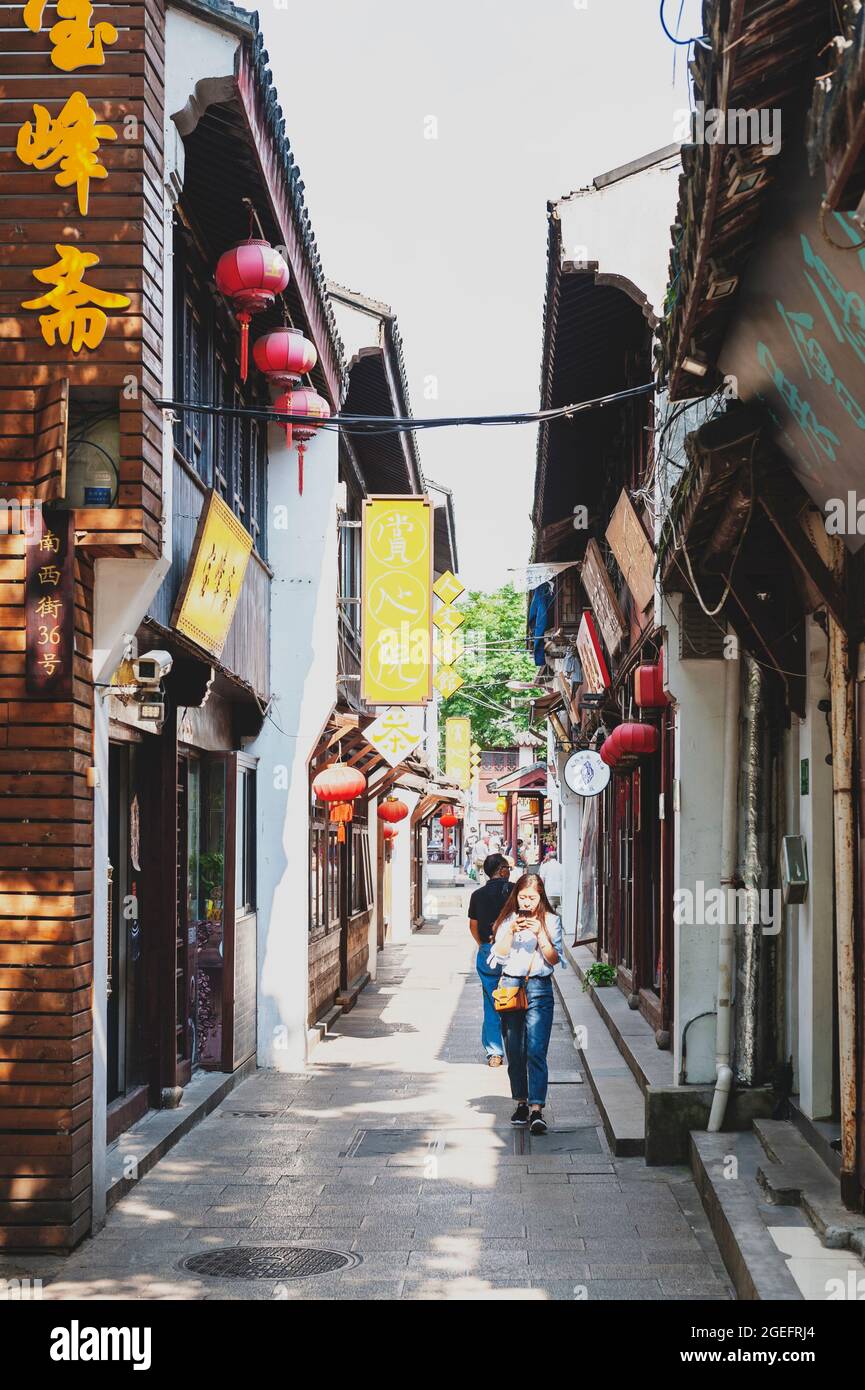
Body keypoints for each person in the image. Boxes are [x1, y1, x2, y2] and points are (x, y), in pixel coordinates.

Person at [488, 873, 565, 1134]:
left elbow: (554, 960)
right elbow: (498, 956)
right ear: (516, 896)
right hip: (510, 985)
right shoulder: (507, 919)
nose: (527, 902)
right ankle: (521, 1102)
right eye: (522, 897)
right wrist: (510, 931)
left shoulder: (552, 921)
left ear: (541, 896)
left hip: (539, 987)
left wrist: (541, 935)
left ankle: (536, 1109)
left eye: (532, 898)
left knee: (535, 1049)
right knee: (515, 1049)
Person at [468, 853, 513, 1066]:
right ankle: (516, 1045)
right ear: (501, 870)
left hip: (488, 950)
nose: (509, 872)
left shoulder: (477, 894)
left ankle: (495, 1052)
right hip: (515, 952)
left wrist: (483, 946)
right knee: (516, 998)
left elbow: (473, 926)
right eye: (508, 868)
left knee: (491, 1000)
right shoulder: (515, 891)